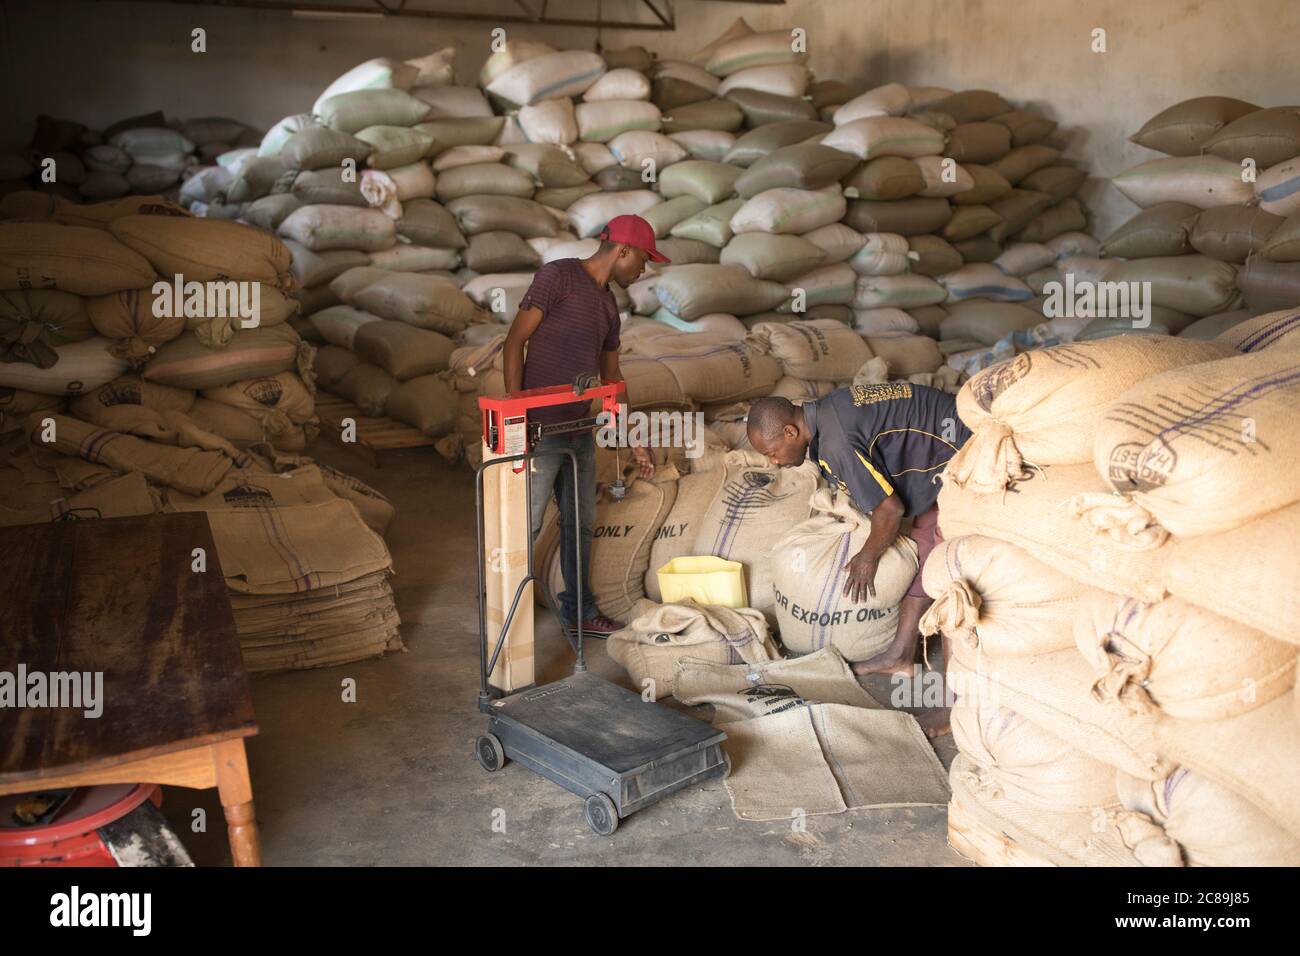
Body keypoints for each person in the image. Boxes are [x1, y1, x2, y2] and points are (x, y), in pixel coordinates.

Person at [746, 385, 971, 737]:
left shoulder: (836, 442)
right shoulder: (826, 416)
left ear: (791, 431)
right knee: (923, 552)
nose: (772, 462)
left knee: (951, 577)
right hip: (942, 461)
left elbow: (890, 510)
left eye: (772, 452)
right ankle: (899, 654)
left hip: (968, 461)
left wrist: (868, 556)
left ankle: (957, 706)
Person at [502, 215, 664, 636]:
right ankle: (502, 612)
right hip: (539, 430)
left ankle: (579, 611)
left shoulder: (609, 306)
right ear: (623, 251)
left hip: (578, 431)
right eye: (643, 261)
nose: (643, 271)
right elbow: (514, 341)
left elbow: (613, 378)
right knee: (527, 524)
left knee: (581, 525)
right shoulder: (557, 276)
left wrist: (632, 437)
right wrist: (517, 414)